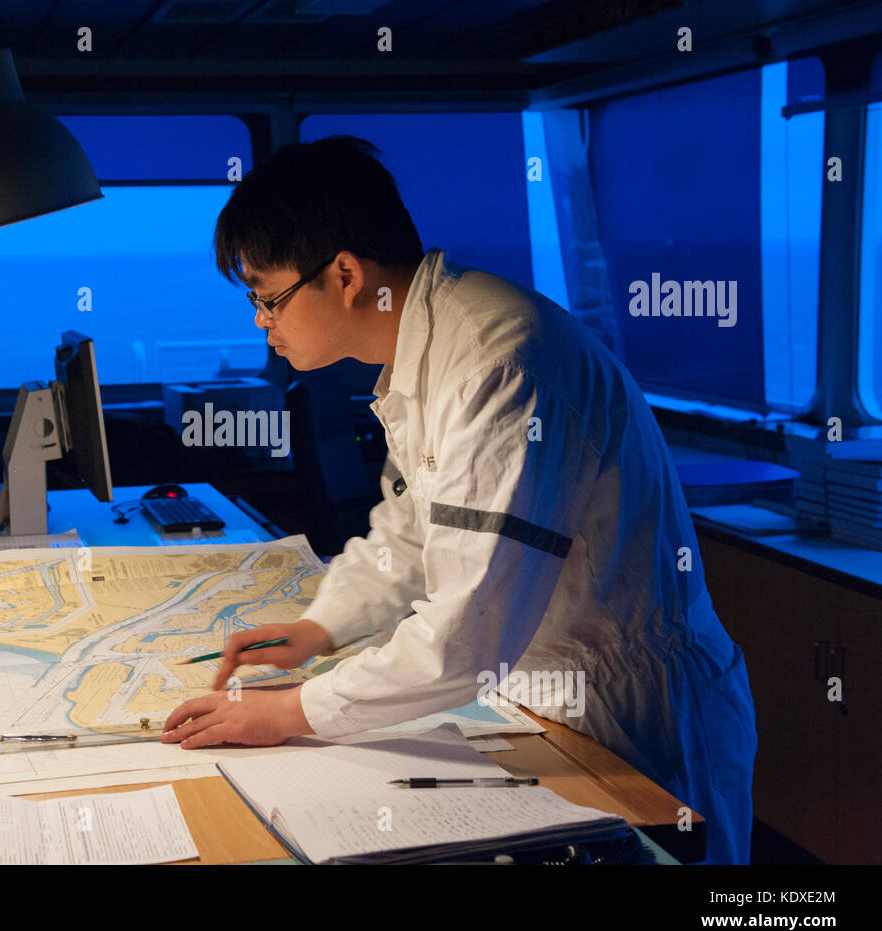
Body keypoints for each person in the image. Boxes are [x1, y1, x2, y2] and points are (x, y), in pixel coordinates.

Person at [160, 135, 758, 864]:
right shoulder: (427, 349)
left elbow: (469, 628)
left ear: (344, 273)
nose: (261, 320)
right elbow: (409, 535)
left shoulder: (499, 360)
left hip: (631, 708)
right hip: (543, 691)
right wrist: (321, 627)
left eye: (267, 296)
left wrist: (289, 711)